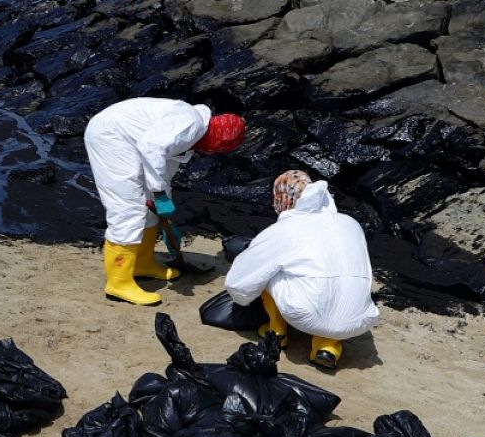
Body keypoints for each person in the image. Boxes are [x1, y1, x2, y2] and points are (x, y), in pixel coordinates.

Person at [82, 97, 246, 305]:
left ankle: (142, 263)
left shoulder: (191, 133)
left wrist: (162, 203)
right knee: (127, 208)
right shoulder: (188, 124)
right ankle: (118, 283)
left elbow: (164, 170)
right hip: (111, 136)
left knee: (147, 207)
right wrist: (158, 193)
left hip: (131, 140)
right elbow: (151, 148)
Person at [225, 171, 379, 369]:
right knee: (336, 280)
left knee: (267, 271)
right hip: (360, 320)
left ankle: (276, 333)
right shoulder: (350, 224)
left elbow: (241, 280)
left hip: (305, 316)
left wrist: (241, 299)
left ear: (282, 197)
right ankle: (327, 347)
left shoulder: (287, 228)